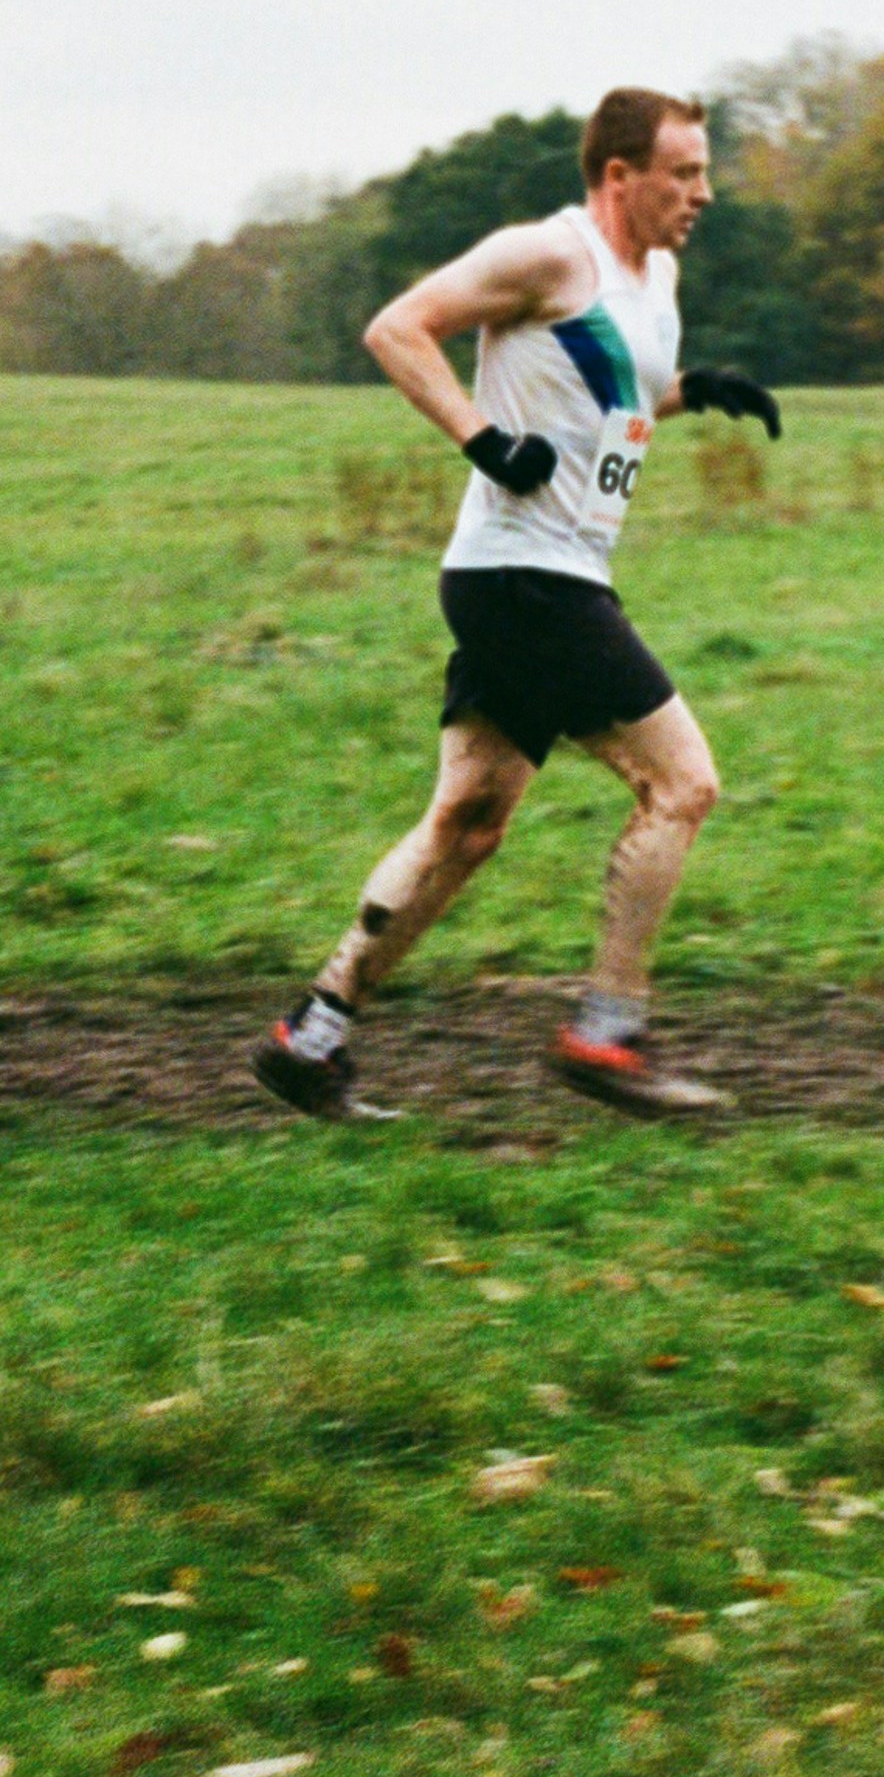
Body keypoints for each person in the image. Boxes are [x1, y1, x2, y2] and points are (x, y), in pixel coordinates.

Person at [249, 89, 785, 1125]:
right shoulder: (547, 255)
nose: (705, 193)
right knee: (682, 784)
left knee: (469, 819)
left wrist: (697, 389)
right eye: (685, 173)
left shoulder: (656, 274)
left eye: (706, 171)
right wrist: (482, 438)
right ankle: (606, 1032)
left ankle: (308, 1039)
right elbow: (398, 328)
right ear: (619, 175)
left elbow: (623, 388)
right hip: (526, 575)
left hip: (542, 576)